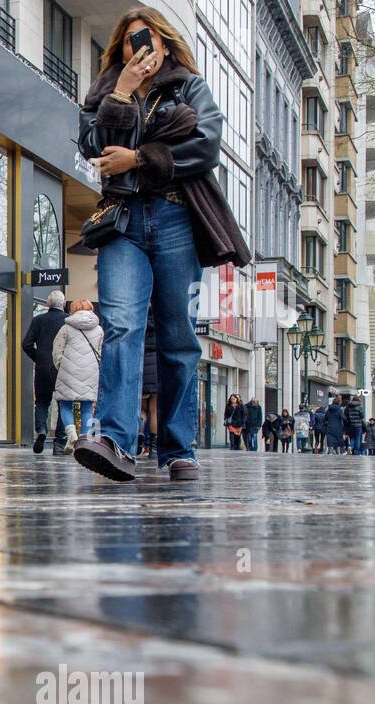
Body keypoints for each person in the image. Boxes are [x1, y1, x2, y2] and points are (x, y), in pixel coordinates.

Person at [74, 6, 249, 482]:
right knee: (123, 325)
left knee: (177, 335)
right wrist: (123, 93)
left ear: (166, 43)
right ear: (120, 48)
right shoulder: (105, 91)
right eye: (130, 39)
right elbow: (90, 145)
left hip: (174, 215)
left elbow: (206, 146)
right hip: (123, 221)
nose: (139, 47)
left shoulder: (190, 86)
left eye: (147, 37)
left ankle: (176, 447)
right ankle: (114, 440)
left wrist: (138, 157)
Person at [51, 300, 105, 453]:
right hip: (91, 370)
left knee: (65, 404)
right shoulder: (99, 330)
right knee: (87, 406)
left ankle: (71, 434)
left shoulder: (66, 328)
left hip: (68, 369)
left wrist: (60, 365)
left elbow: (57, 350)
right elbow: (102, 352)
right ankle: (84, 440)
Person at [21, 290, 70, 454]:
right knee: (63, 403)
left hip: (42, 367)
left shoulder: (38, 320)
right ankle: (59, 443)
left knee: (41, 402)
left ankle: (41, 430)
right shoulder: (68, 321)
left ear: (47, 304)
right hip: (62, 368)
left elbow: (26, 344)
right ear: (63, 304)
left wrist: (39, 359)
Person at [138, 309, 159, 457]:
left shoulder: (140, 324)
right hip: (156, 369)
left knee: (142, 410)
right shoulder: (160, 325)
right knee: (154, 411)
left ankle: (139, 433)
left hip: (141, 369)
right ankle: (153, 447)